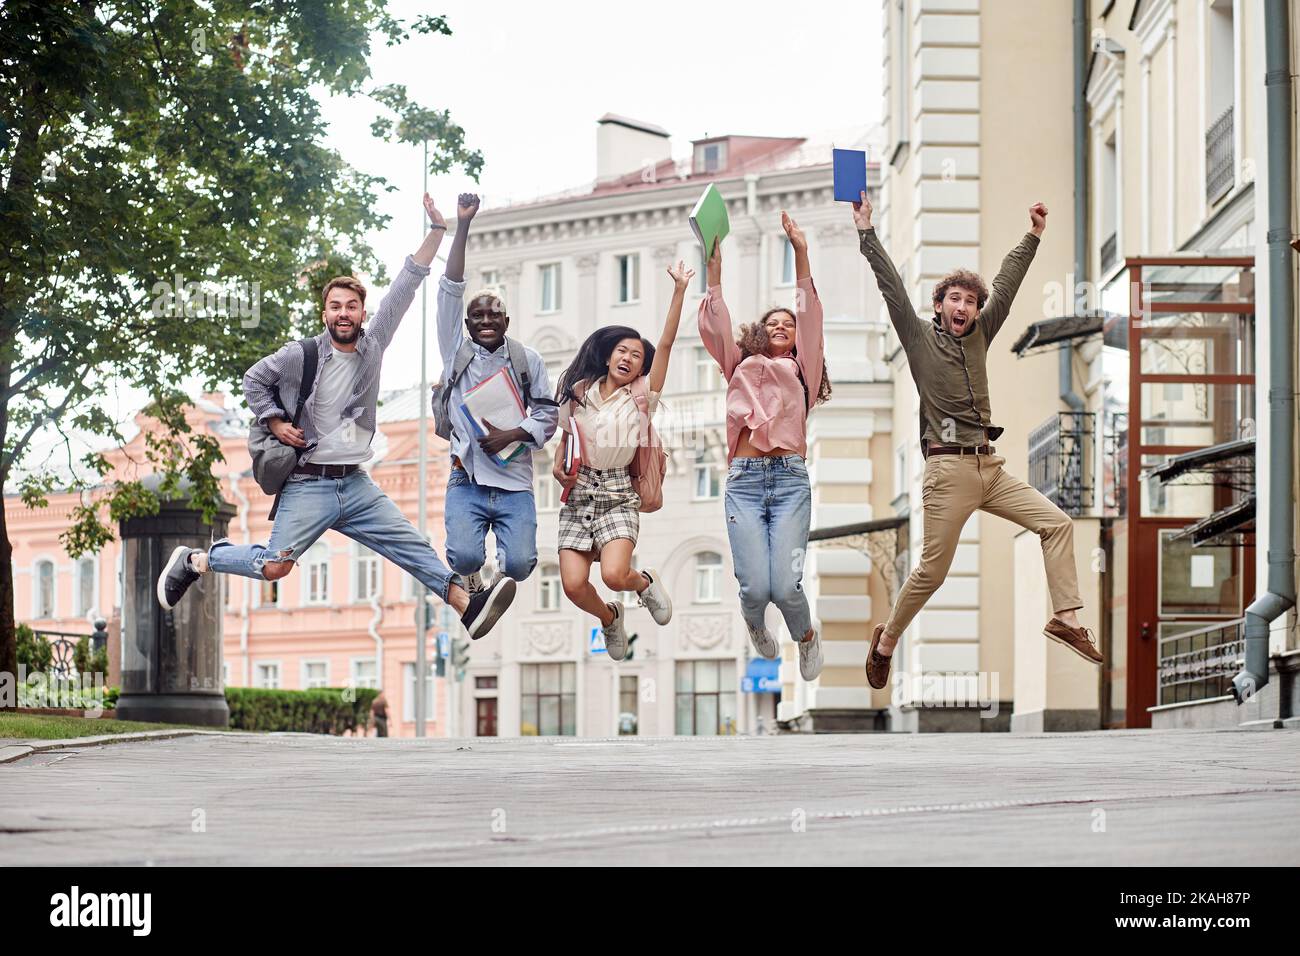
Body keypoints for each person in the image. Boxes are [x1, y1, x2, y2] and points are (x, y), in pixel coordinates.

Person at [156, 194, 517, 641]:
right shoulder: (299, 354)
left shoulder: (374, 343)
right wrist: (273, 421)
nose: (343, 313)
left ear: (362, 313)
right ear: (324, 313)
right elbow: (253, 380)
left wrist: (438, 232)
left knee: (413, 546)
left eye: (351, 306)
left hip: (355, 481)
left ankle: (467, 608)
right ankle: (198, 560)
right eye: (335, 306)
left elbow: (408, 283)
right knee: (275, 566)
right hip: (309, 482)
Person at [854, 191, 1102, 691]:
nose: (964, 307)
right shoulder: (920, 339)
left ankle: (1067, 620)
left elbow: (1007, 284)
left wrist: (1032, 235)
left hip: (991, 468)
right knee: (932, 572)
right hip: (948, 474)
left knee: (1057, 524)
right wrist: (867, 233)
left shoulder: (982, 334)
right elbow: (892, 289)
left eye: (971, 301)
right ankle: (886, 643)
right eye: (955, 300)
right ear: (940, 307)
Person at [698, 212, 832, 681]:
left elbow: (810, 312)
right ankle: (754, 623)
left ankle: (806, 636)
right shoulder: (739, 362)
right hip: (745, 484)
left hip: (790, 481)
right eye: (772, 322)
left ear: (798, 338)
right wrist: (714, 269)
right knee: (755, 589)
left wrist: (800, 250)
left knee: (786, 585)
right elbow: (716, 323)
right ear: (760, 331)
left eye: (788, 324)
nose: (782, 325)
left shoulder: (804, 370)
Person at [550, 260, 694, 660]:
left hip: (616, 492)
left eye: (636, 355)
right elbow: (567, 439)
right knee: (574, 585)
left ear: (641, 366)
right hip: (579, 495)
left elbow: (665, 343)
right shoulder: (580, 389)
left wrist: (679, 290)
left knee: (614, 575)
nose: (629, 357)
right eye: (622, 351)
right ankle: (610, 617)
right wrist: (557, 466)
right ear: (609, 356)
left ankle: (644, 582)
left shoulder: (644, 395)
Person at [435, 193, 559, 592]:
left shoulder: (527, 360)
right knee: (466, 556)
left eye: (493, 315)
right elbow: (451, 288)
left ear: (507, 320)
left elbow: (548, 414)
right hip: (466, 479)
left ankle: (499, 579)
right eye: (477, 316)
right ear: (467, 324)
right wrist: (463, 224)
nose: (485, 321)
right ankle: (473, 574)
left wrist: (512, 434)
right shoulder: (456, 352)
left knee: (522, 565)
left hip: (514, 482)